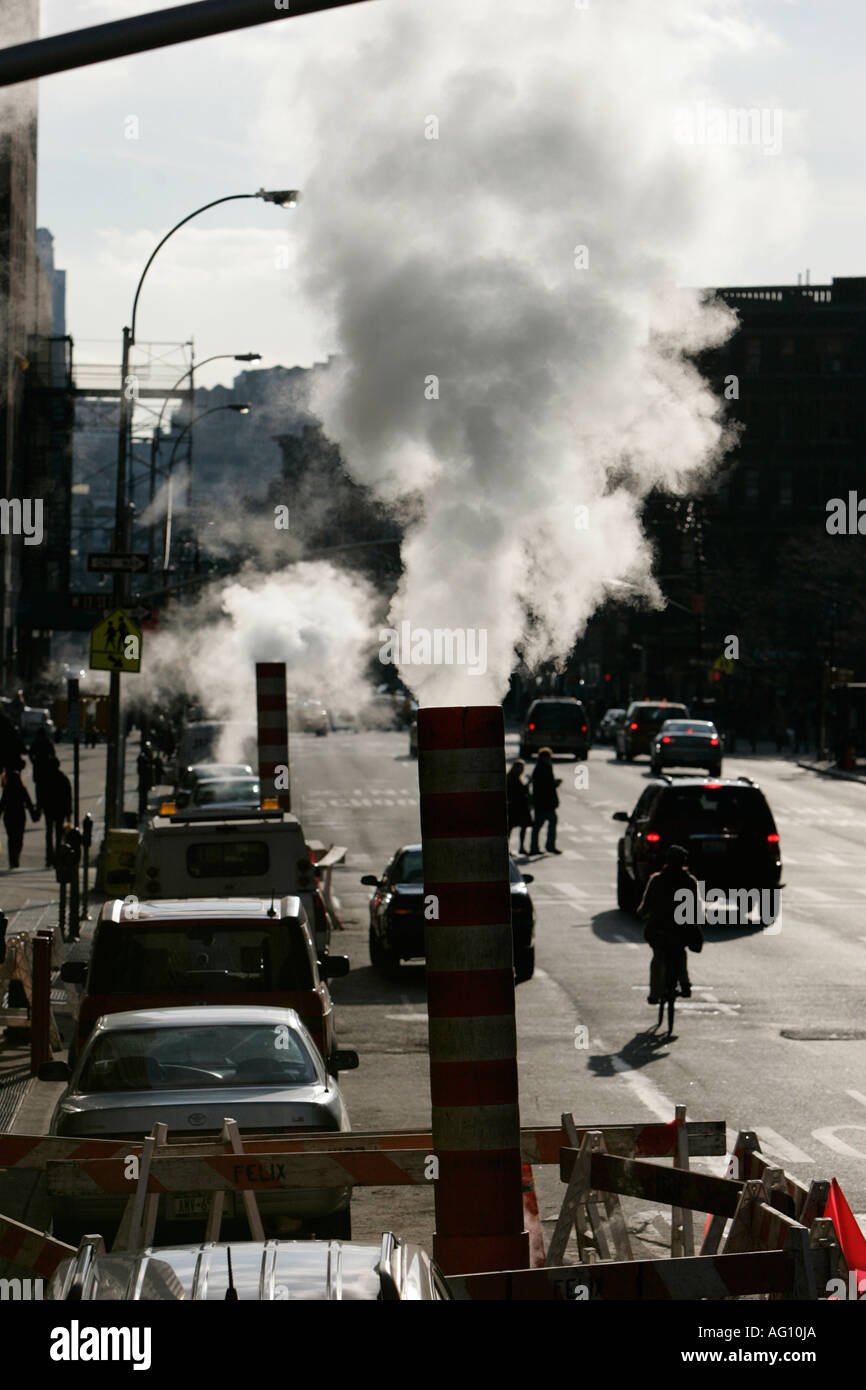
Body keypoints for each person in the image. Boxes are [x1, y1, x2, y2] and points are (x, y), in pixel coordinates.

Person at [637, 844, 701, 1004]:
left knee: (658, 957)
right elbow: (695, 909)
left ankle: (654, 994)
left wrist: (642, 913)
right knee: (680, 953)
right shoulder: (689, 881)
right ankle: (685, 982)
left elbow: (645, 906)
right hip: (681, 931)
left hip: (658, 930)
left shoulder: (657, 880)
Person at [0, 761, 37, 869]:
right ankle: (16, 857)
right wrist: (34, 815)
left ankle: (13, 859)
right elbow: (29, 803)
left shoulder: (7, 789)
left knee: (11, 838)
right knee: (19, 838)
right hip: (20, 816)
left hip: (9, 816)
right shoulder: (22, 789)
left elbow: (2, 804)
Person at [40, 755, 72, 868]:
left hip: (49, 809)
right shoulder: (63, 778)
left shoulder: (45, 778)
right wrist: (69, 813)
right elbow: (68, 796)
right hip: (60, 810)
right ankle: (57, 857)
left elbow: (41, 795)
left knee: (49, 833)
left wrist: (40, 807)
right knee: (59, 834)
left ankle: (49, 857)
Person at [529, 748, 562, 854]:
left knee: (547, 823)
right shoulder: (540, 769)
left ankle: (546, 846)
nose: (548, 759)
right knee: (539, 825)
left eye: (548, 757)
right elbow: (543, 785)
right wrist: (554, 784)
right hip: (542, 802)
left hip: (547, 802)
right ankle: (539, 847)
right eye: (546, 757)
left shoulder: (546, 767)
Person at [506, 759, 533, 854]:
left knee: (516, 827)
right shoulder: (512, 778)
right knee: (512, 827)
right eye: (521, 768)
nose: (522, 770)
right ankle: (517, 848)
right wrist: (529, 783)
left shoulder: (512, 777)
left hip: (517, 806)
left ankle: (520, 847)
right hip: (516, 806)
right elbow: (520, 791)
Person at [29, 725, 56, 814]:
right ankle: (45, 803)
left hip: (38, 767)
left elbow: (30, 753)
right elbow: (53, 754)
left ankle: (39, 804)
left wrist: (33, 761)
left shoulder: (35, 742)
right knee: (46, 786)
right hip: (46, 768)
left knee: (39, 787)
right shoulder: (47, 742)